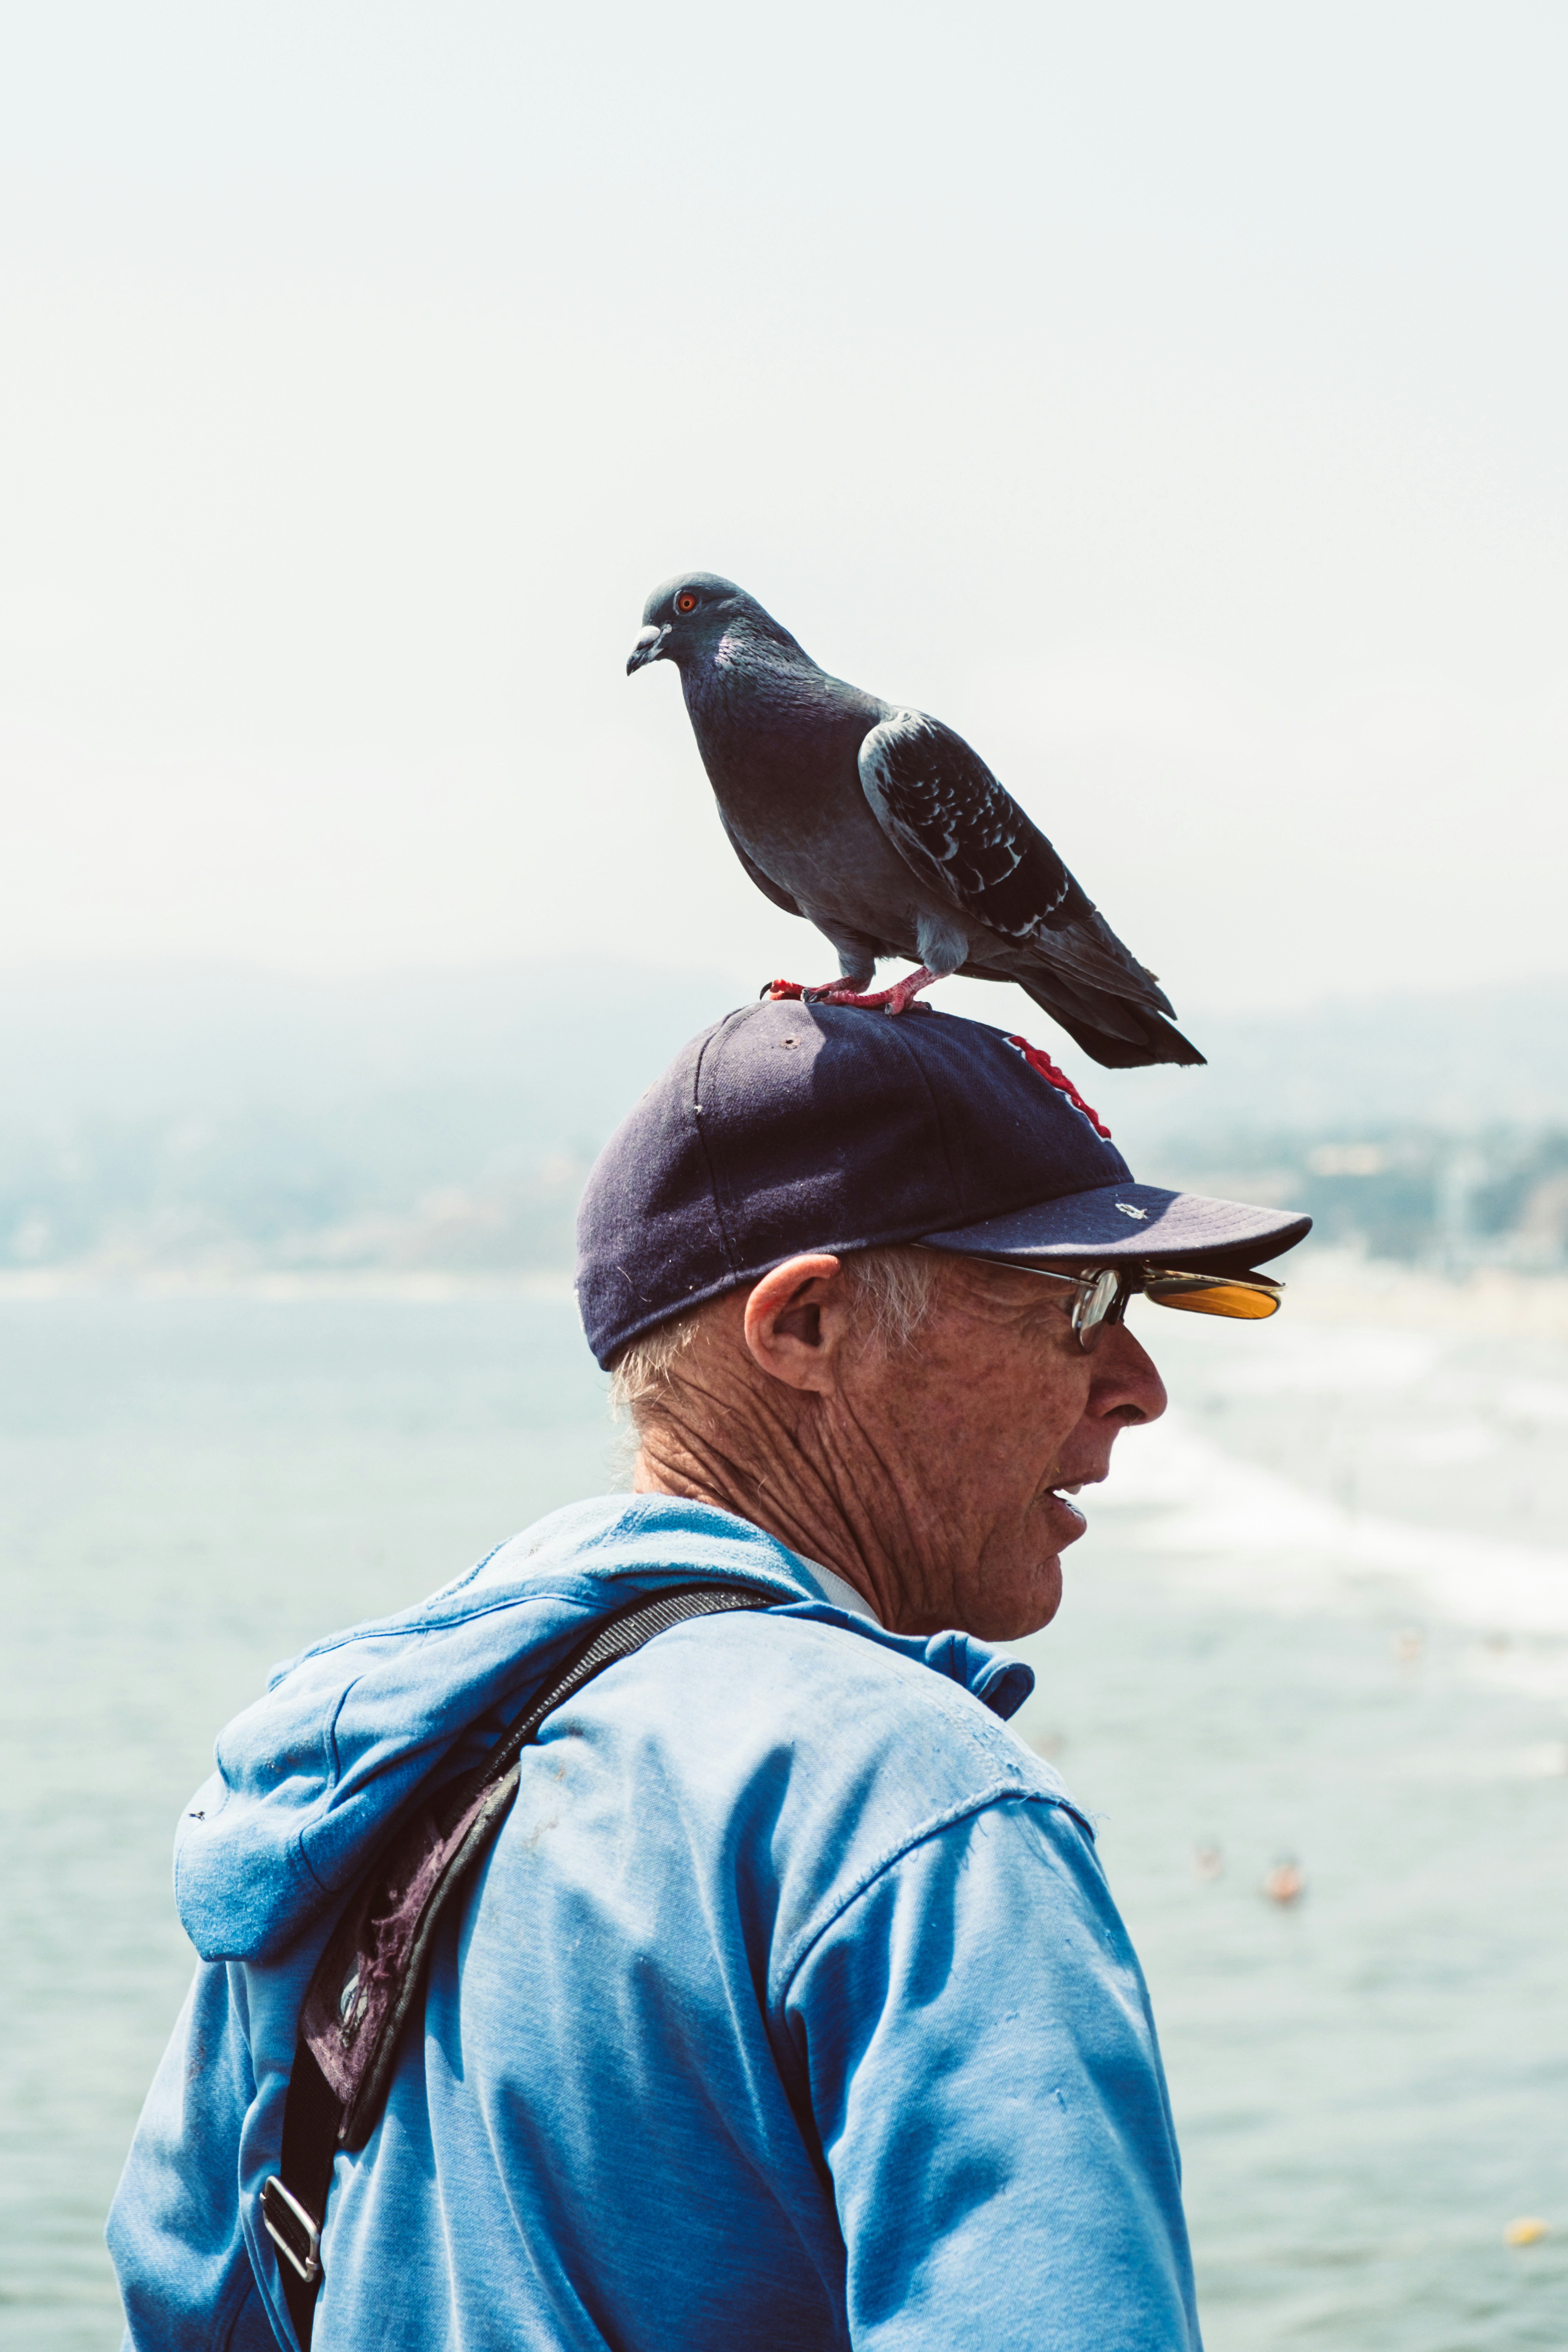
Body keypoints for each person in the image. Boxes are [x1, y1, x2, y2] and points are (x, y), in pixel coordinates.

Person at [108, 1000, 1309, 2350]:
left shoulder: (368, 1760)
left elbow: (185, 2288)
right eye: (1078, 1305)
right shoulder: (909, 1807)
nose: (1139, 1386)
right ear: (805, 1322)